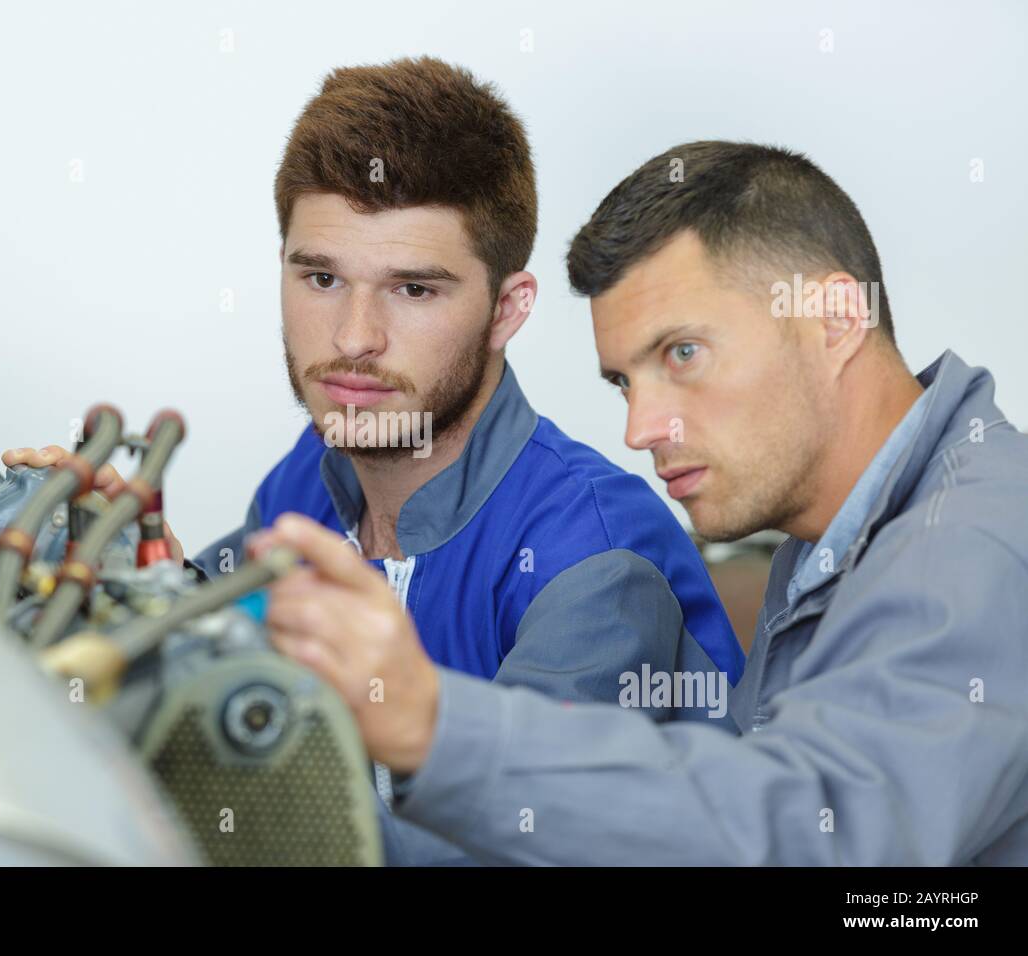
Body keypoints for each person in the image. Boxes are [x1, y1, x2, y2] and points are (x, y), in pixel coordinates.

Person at [0, 63, 743, 865]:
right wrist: (146, 581)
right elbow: (235, 640)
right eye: (320, 277)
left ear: (507, 310)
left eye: (413, 291)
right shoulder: (312, 476)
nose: (353, 339)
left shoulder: (592, 563)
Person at [249, 140, 1028, 865]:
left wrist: (437, 727)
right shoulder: (840, 534)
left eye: (681, 354)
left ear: (832, 317)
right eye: (625, 382)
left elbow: (824, 837)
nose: (640, 429)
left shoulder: (970, 544)